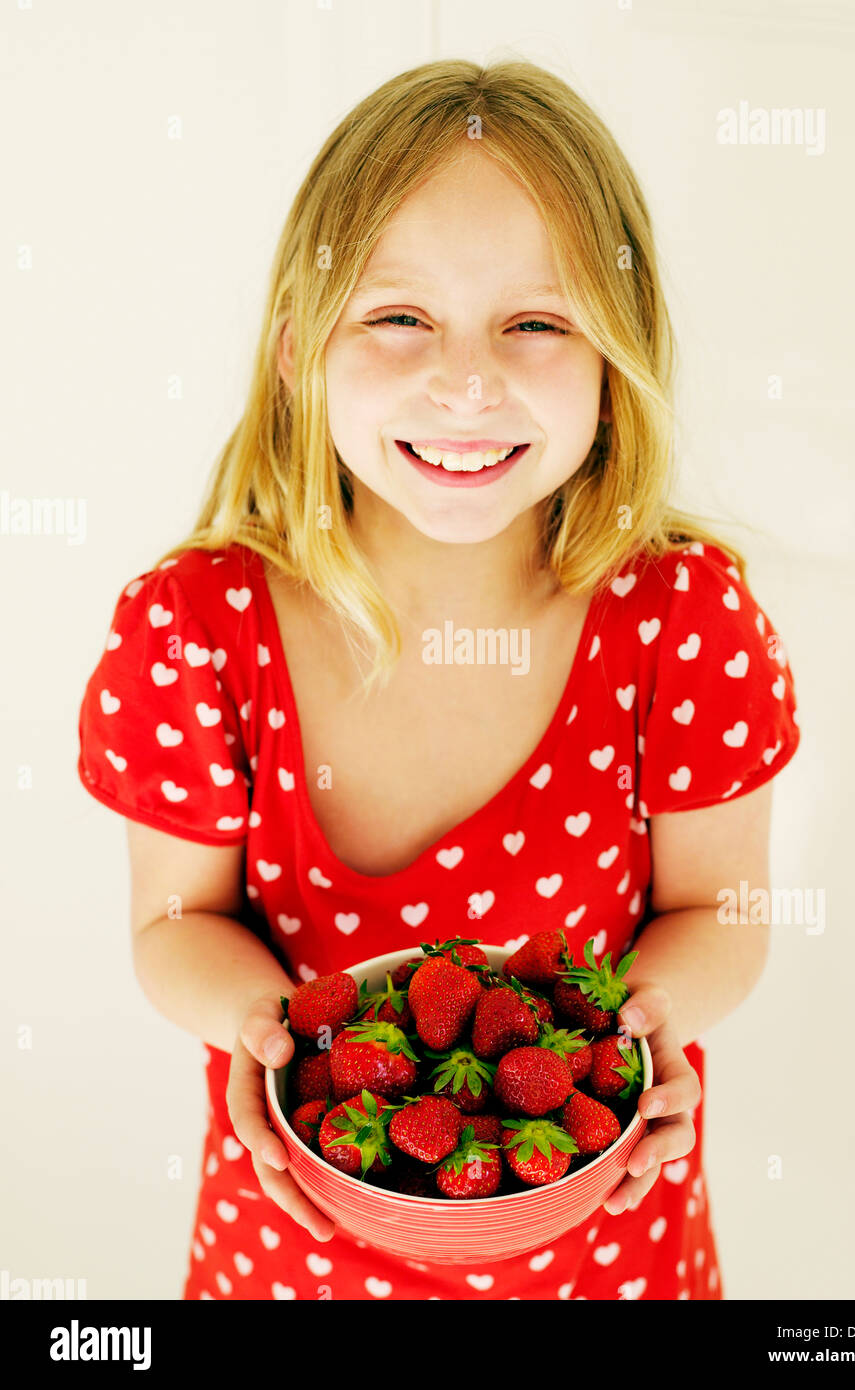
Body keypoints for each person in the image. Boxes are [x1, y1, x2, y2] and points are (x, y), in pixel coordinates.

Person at [76, 58, 801, 1300]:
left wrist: (636, 1035)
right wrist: (271, 1031)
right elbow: (170, 924)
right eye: (399, 318)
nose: (466, 382)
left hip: (603, 1245)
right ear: (302, 347)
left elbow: (720, 912)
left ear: (612, 358)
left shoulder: (680, 618)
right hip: (288, 1251)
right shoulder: (197, 626)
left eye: (534, 322)